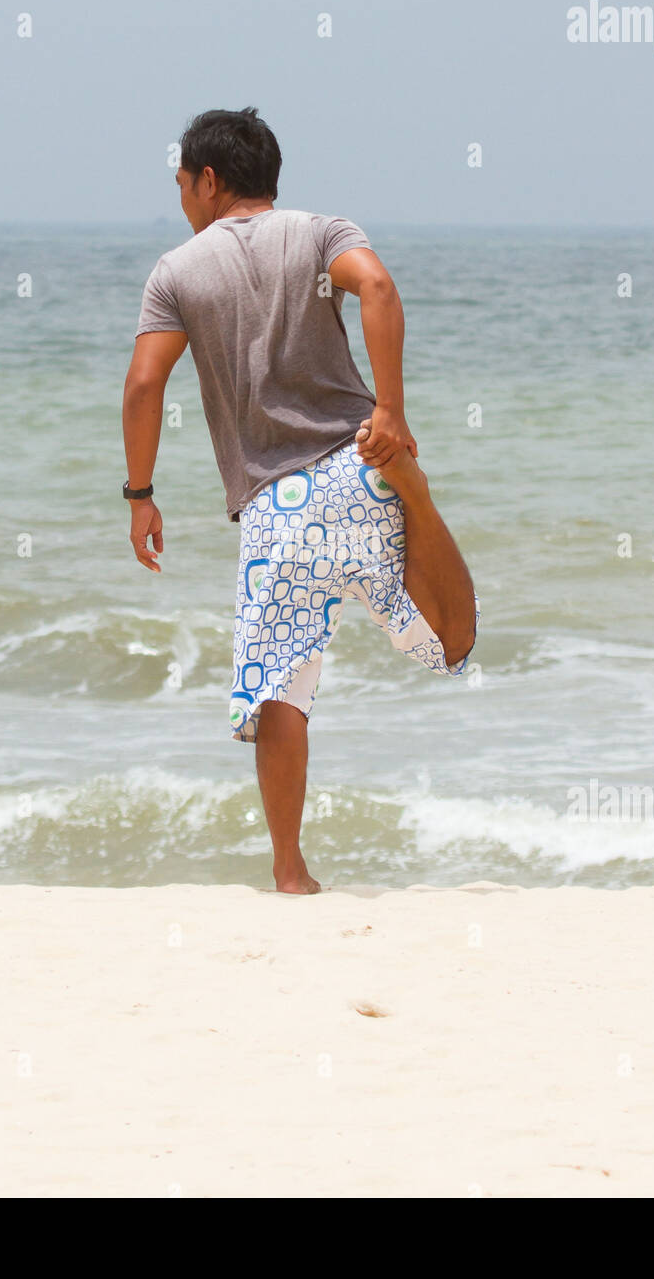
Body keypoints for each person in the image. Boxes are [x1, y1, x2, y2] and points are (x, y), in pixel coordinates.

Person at [123, 107, 480, 893]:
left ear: (209, 182)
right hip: (361, 470)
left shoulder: (178, 271)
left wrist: (141, 495)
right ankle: (417, 498)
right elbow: (378, 287)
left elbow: (145, 385)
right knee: (449, 646)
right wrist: (389, 410)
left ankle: (291, 872)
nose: (183, 199)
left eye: (183, 184)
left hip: (274, 512)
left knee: (283, 689)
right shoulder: (323, 233)